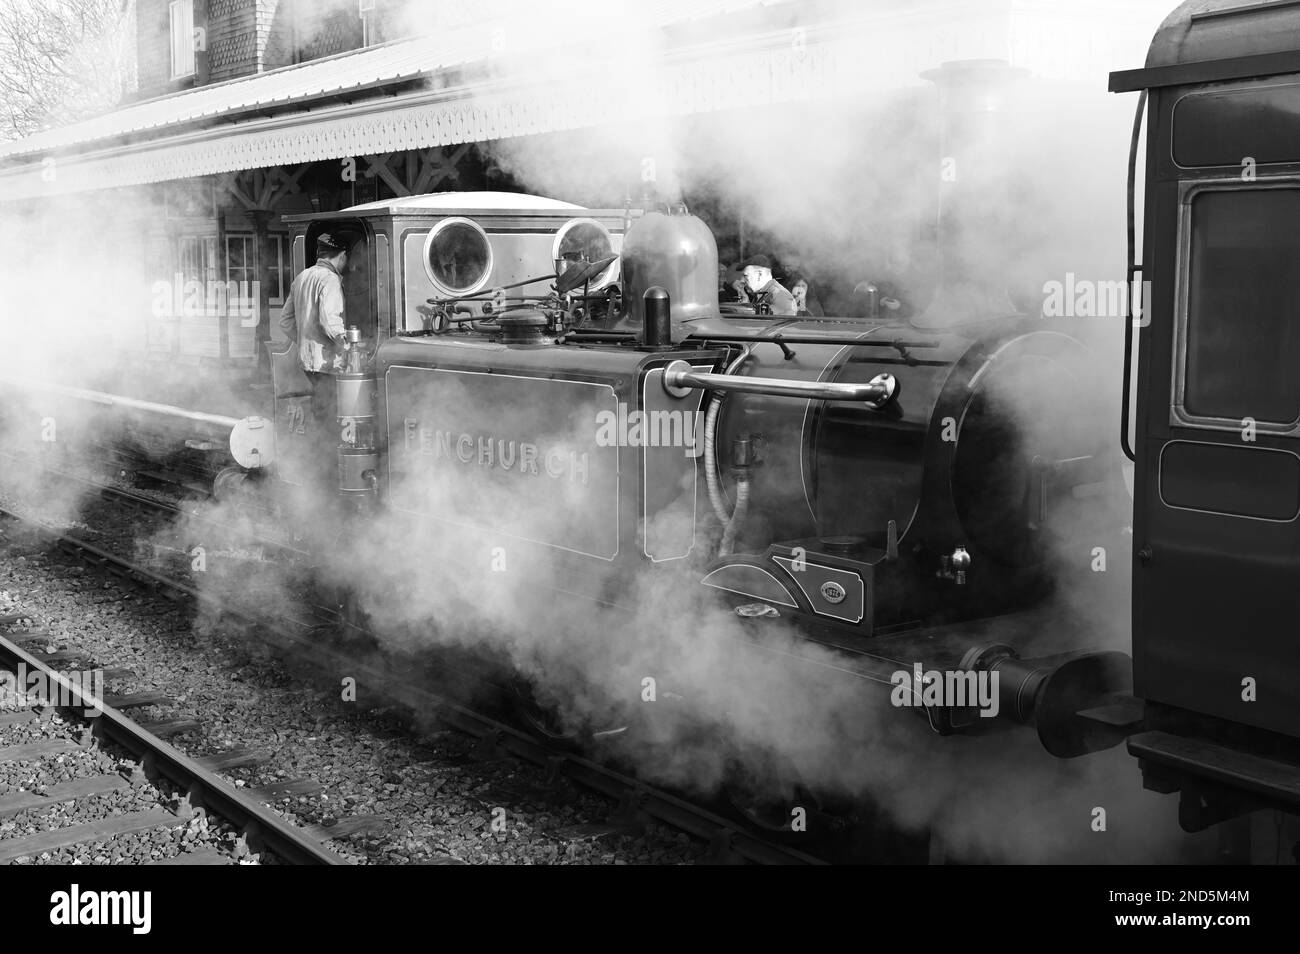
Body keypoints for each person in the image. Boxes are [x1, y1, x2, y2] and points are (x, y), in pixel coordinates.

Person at [278, 232, 351, 431]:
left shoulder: (302, 277)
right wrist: (346, 346)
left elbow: (284, 322)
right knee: (332, 411)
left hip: (306, 361)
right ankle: (330, 453)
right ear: (342, 255)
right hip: (327, 361)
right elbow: (329, 320)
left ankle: (319, 450)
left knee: (320, 406)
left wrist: (304, 340)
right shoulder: (330, 279)